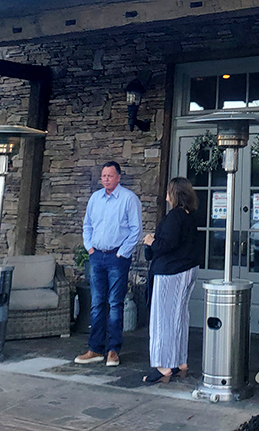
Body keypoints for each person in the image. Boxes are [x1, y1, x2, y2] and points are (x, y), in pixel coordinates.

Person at [74, 161, 142, 367]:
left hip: (116, 258)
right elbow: (87, 225)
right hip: (97, 256)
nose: (106, 179)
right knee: (96, 303)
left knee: (115, 303)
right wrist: (90, 248)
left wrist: (122, 254)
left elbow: (135, 229)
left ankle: (113, 350)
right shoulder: (95, 198)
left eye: (110, 176)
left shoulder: (129, 199)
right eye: (103, 176)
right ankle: (95, 349)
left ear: (118, 177)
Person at [142, 176, 202, 383]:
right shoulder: (191, 216)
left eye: (168, 191)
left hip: (170, 273)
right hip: (188, 270)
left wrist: (150, 241)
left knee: (163, 319)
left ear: (174, 193)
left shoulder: (174, 217)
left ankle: (163, 365)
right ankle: (179, 361)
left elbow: (163, 246)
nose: (166, 195)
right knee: (180, 317)